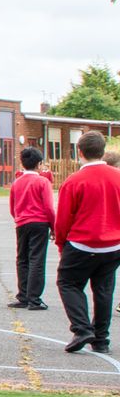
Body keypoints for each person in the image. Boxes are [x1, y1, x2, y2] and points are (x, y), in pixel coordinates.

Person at [54, 130, 120, 354]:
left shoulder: (74, 181)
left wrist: (62, 244)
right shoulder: (117, 177)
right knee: (103, 289)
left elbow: (63, 218)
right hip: (113, 245)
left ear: (79, 152)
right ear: (103, 151)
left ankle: (82, 328)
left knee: (68, 283)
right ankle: (101, 339)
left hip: (83, 243)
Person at [9, 146, 54, 310]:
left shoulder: (17, 182)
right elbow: (48, 206)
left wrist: (19, 218)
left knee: (22, 259)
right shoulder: (43, 181)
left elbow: (12, 206)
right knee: (37, 259)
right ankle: (34, 298)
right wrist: (53, 226)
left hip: (22, 222)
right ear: (39, 164)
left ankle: (23, 295)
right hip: (39, 222)